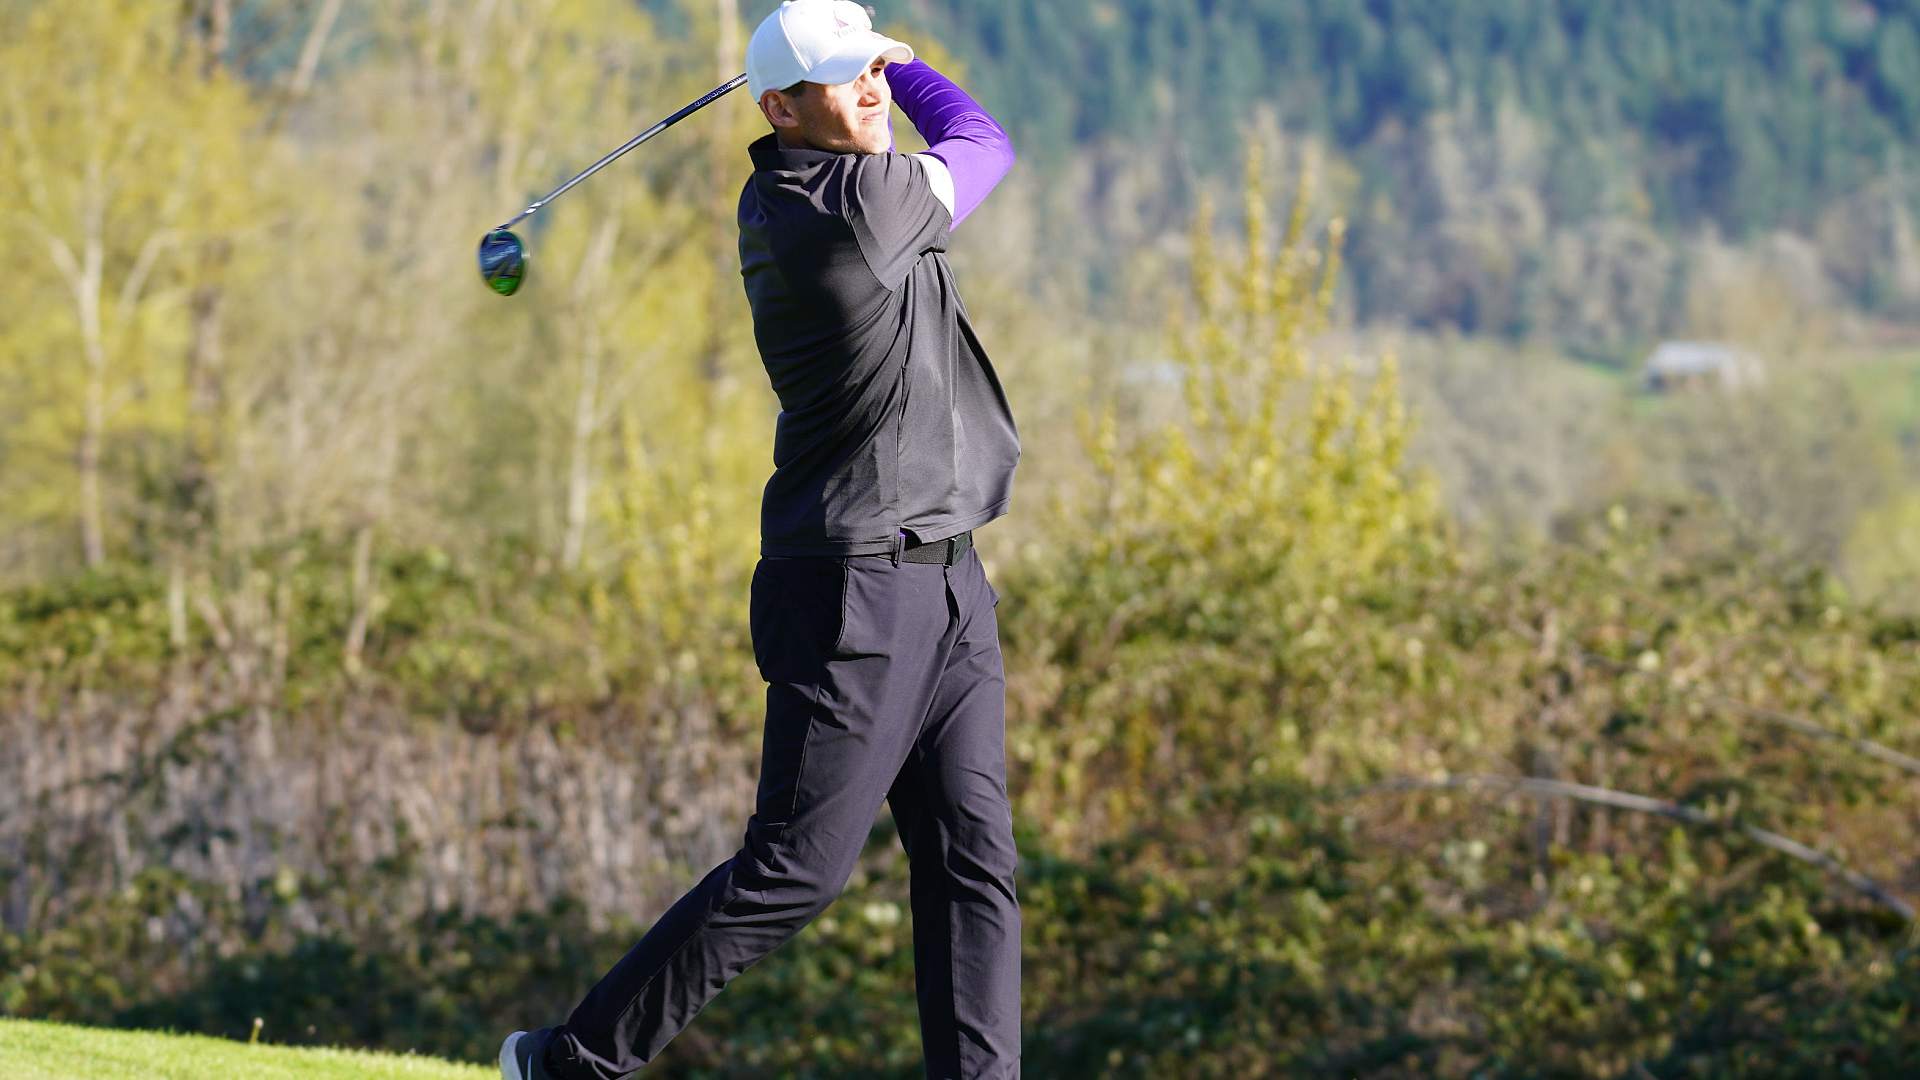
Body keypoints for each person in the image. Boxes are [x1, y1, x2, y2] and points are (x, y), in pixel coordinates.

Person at [500, 1, 1021, 1076]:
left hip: (946, 576)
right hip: (855, 593)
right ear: (780, 109)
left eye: (874, 70)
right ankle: (570, 1062)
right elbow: (984, 141)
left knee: (974, 861)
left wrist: (869, 60)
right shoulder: (852, 208)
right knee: (794, 868)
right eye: (849, 76)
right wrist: (912, 66)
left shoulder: (817, 182)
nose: (872, 88)